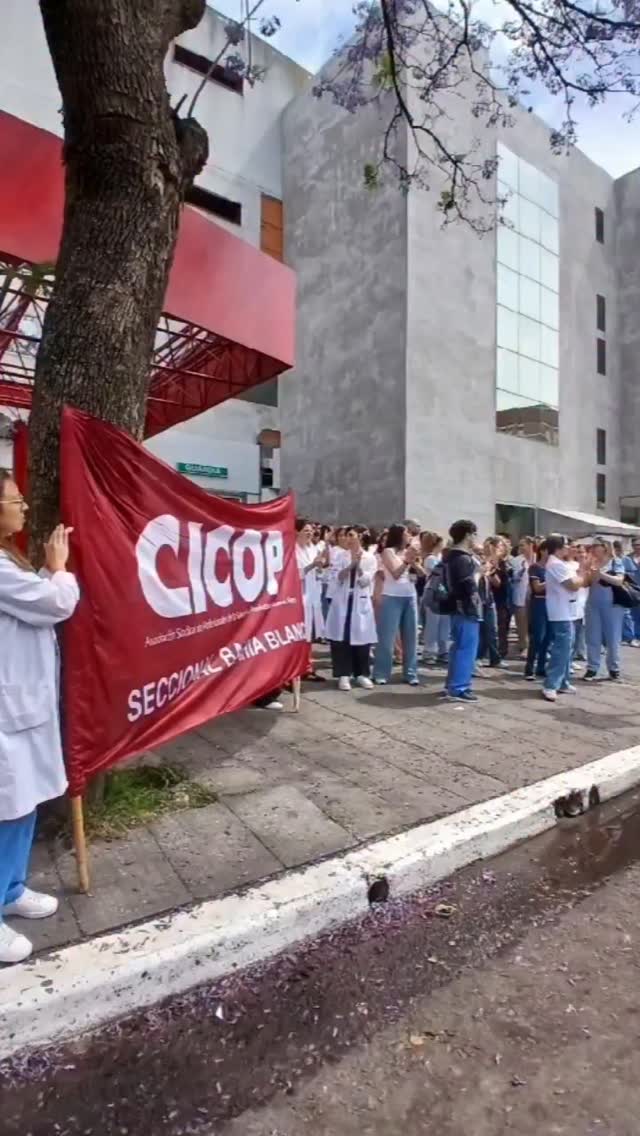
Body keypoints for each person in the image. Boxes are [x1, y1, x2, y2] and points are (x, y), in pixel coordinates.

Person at [0, 471, 80, 964]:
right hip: (7, 714)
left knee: (21, 807)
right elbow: (55, 604)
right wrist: (59, 566)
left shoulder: (11, 559)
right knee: (5, 811)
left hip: (22, 708)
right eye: (15, 500)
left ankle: (10, 889)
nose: (25, 507)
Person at [325, 527, 377, 691]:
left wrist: (359, 565)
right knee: (342, 638)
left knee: (361, 638)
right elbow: (336, 578)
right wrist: (350, 566)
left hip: (360, 601)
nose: (348, 538)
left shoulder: (370, 558)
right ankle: (343, 674)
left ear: (360, 537)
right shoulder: (340, 555)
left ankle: (361, 674)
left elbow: (366, 581)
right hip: (342, 600)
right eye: (346, 535)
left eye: (351, 535)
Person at [542, 535, 591, 703]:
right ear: (558, 547)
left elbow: (581, 582)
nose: (569, 548)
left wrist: (581, 574)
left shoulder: (562, 563)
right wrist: (583, 571)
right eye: (566, 545)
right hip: (561, 612)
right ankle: (550, 685)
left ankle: (563, 682)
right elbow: (573, 584)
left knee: (568, 649)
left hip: (570, 610)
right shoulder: (555, 563)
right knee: (561, 649)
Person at [373, 524, 420, 685]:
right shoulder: (388, 552)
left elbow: (422, 574)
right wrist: (407, 561)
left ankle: (411, 673)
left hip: (410, 596)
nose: (409, 536)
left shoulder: (408, 552)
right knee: (386, 637)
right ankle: (381, 672)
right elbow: (395, 573)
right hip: (391, 596)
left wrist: (415, 562)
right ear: (399, 535)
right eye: (407, 533)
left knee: (411, 637)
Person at [442, 519, 482, 703]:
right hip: (466, 607)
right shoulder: (463, 558)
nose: (476, 538)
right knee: (466, 647)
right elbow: (469, 585)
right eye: (474, 534)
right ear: (467, 534)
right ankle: (459, 687)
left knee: (458, 647)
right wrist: (481, 572)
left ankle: (453, 684)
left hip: (455, 606)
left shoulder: (451, 556)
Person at [584, 539, 626, 682]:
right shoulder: (591, 562)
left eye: (596, 546)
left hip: (612, 605)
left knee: (612, 637)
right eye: (592, 546)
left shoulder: (615, 562)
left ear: (605, 547)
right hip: (593, 603)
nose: (593, 549)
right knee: (592, 636)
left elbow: (619, 580)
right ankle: (592, 667)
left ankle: (614, 668)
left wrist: (601, 574)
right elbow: (586, 583)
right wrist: (586, 571)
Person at [295, 518, 326, 681]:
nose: (309, 533)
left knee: (309, 634)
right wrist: (312, 565)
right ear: (296, 532)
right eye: (306, 530)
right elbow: (294, 574)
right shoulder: (292, 550)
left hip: (313, 596)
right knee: (299, 635)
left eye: (311, 531)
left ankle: (307, 667)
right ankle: (296, 669)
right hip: (299, 596)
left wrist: (320, 567)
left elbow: (319, 573)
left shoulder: (312, 548)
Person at [421, 532, 449, 666]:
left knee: (444, 624)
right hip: (434, 593)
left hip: (444, 593)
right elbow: (439, 574)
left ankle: (443, 650)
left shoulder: (439, 557)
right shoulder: (431, 559)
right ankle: (429, 652)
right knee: (433, 624)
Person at [524, 540, 550, 680]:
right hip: (539, 602)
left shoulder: (553, 567)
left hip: (552, 603)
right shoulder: (535, 567)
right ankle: (529, 667)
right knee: (538, 636)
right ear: (543, 551)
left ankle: (541, 667)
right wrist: (551, 579)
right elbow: (537, 588)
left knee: (548, 637)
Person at [511, 537, 535, 657]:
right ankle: (524, 646)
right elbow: (513, 578)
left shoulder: (538, 558)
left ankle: (534, 646)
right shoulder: (516, 561)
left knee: (534, 621)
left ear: (531, 545)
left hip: (536, 595)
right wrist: (518, 574)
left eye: (523, 545)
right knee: (522, 622)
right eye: (519, 545)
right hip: (521, 594)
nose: (520, 548)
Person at [622, 537, 640, 645]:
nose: (637, 547)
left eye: (639, 545)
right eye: (635, 545)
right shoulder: (627, 558)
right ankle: (633, 636)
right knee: (633, 614)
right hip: (632, 589)